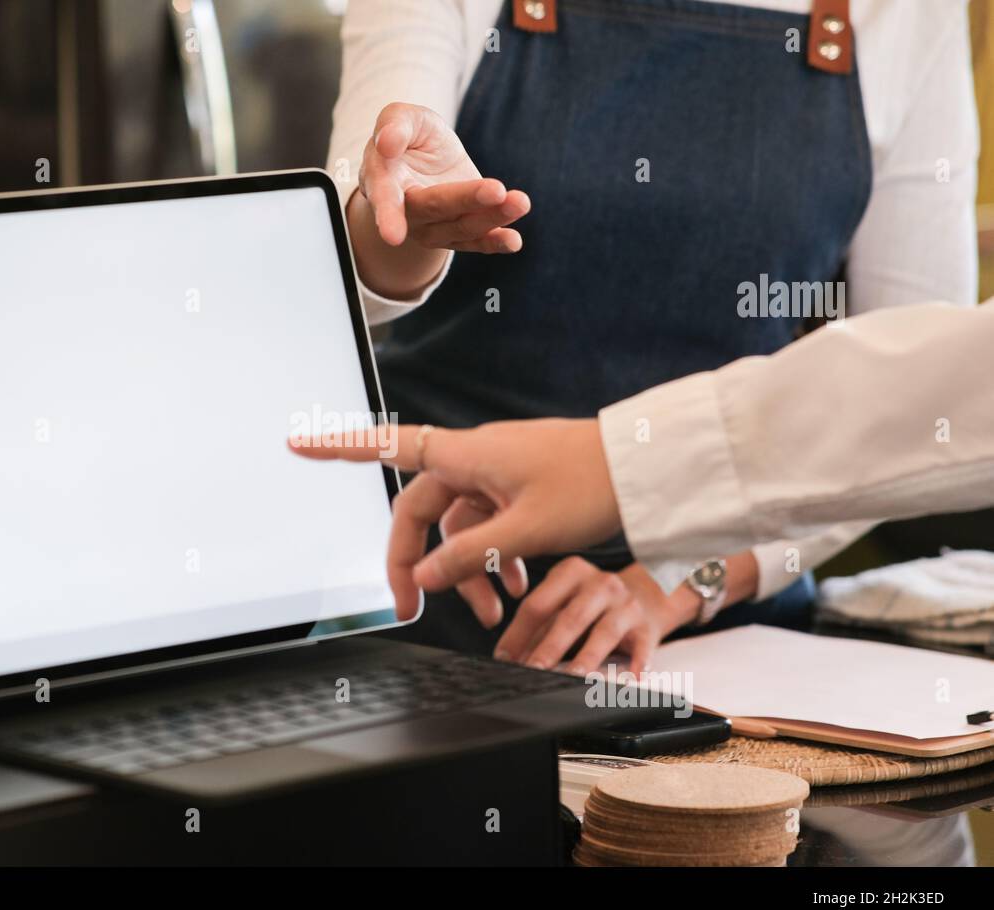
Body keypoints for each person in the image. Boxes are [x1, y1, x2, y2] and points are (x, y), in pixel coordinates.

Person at [327, 0, 980, 664]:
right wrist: (403, 226)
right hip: (426, 595)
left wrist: (682, 580)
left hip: (728, 641)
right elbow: (347, 267)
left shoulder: (910, 13)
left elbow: (911, 410)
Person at [290, 297, 994, 672]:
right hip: (441, 637)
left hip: (736, 652)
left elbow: (908, 433)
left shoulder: (894, 18)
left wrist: (681, 570)